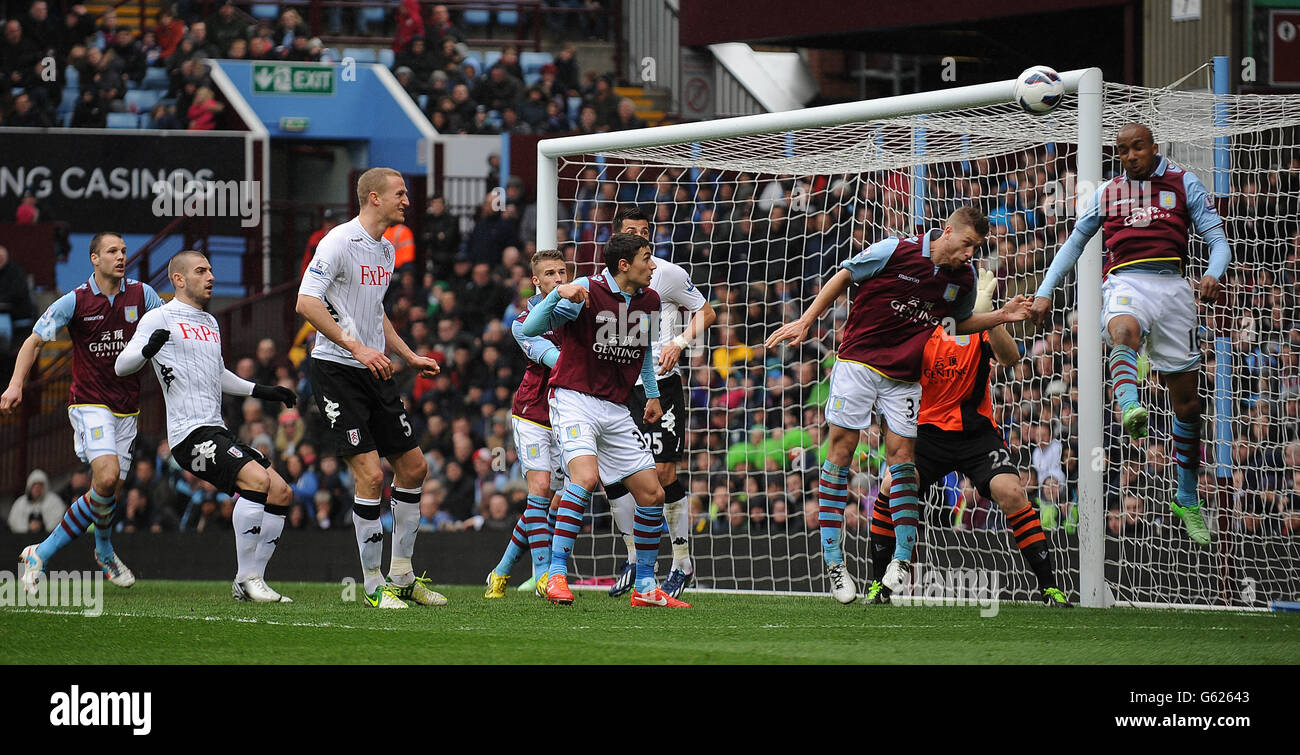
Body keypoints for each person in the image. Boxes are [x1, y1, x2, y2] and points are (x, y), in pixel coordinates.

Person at [765, 206, 1031, 602]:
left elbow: (955, 325)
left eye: (976, 248)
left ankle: (902, 559)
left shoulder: (964, 279)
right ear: (948, 231)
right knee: (842, 449)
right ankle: (835, 562)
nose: (969, 254)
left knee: (902, 458)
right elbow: (844, 274)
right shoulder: (895, 250)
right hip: (858, 361)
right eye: (966, 244)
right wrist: (807, 320)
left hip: (904, 375)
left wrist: (1000, 316)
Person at [1031, 122, 1231, 546]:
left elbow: (1217, 238)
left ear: (1153, 146)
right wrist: (1045, 291)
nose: (1129, 156)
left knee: (1188, 406)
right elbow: (1073, 244)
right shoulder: (1107, 193)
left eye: (1136, 148)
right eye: (1122, 151)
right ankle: (1129, 405)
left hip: (1175, 289)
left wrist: (1213, 274)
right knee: (1122, 331)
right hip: (1126, 282)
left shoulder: (1183, 182)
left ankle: (1186, 496)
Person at [866, 269, 1071, 607]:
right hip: (927, 434)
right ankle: (879, 584)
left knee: (1012, 492)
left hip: (976, 434)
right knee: (891, 487)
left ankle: (1050, 588)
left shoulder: (977, 322)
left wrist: (992, 319)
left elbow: (1010, 358)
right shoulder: (921, 326)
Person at [296, 167, 447, 609]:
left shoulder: (385, 250)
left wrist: (407, 354)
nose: (407, 201)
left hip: (375, 368)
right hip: (337, 370)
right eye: (400, 194)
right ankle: (372, 583)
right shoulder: (338, 241)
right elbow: (306, 301)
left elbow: (375, 310)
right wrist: (355, 346)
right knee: (371, 474)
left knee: (415, 469)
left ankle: (402, 576)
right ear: (374, 197)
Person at [116, 250, 297, 602]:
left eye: (211, 270)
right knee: (258, 480)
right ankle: (246, 579)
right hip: (189, 436)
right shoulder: (159, 318)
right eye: (202, 271)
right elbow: (123, 365)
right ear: (179, 279)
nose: (211, 276)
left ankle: (252, 580)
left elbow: (218, 375)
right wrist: (147, 350)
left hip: (216, 429)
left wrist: (261, 390)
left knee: (281, 492)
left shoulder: (210, 323)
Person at [521, 232, 688, 607]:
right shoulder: (586, 290)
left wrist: (653, 394)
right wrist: (556, 295)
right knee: (585, 477)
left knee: (652, 492)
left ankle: (646, 586)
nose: (654, 265)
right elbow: (530, 329)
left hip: (616, 407)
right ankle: (556, 575)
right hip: (574, 398)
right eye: (648, 258)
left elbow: (644, 351)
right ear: (624, 265)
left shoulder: (650, 299)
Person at [3, 232, 163, 596]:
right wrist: (15, 384)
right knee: (105, 477)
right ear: (94, 258)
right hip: (89, 403)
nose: (121, 256)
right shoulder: (74, 301)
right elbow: (34, 341)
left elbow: (169, 334)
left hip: (127, 408)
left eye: (123, 251)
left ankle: (102, 550)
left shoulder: (144, 295)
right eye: (112, 251)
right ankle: (41, 553)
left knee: (107, 492)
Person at [604, 207, 716, 599]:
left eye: (645, 233)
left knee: (663, 475)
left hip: (662, 386)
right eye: (631, 232)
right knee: (617, 477)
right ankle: (634, 557)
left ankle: (681, 562)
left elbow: (707, 311)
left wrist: (680, 343)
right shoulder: (607, 282)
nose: (640, 238)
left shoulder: (666, 274)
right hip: (618, 388)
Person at [484, 249, 569, 598]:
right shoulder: (524, 321)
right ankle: (546, 574)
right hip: (532, 413)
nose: (559, 279)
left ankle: (501, 571)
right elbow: (556, 361)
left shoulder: (578, 310)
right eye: (550, 274)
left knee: (558, 500)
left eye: (563, 272)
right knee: (539, 491)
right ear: (536, 280)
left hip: (568, 414)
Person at [7, 470, 65, 535]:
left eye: (40, 485)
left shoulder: (54, 501)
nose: (37, 488)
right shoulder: (21, 503)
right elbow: (13, 521)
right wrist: (27, 527)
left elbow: (58, 519)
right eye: (34, 485)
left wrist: (42, 526)